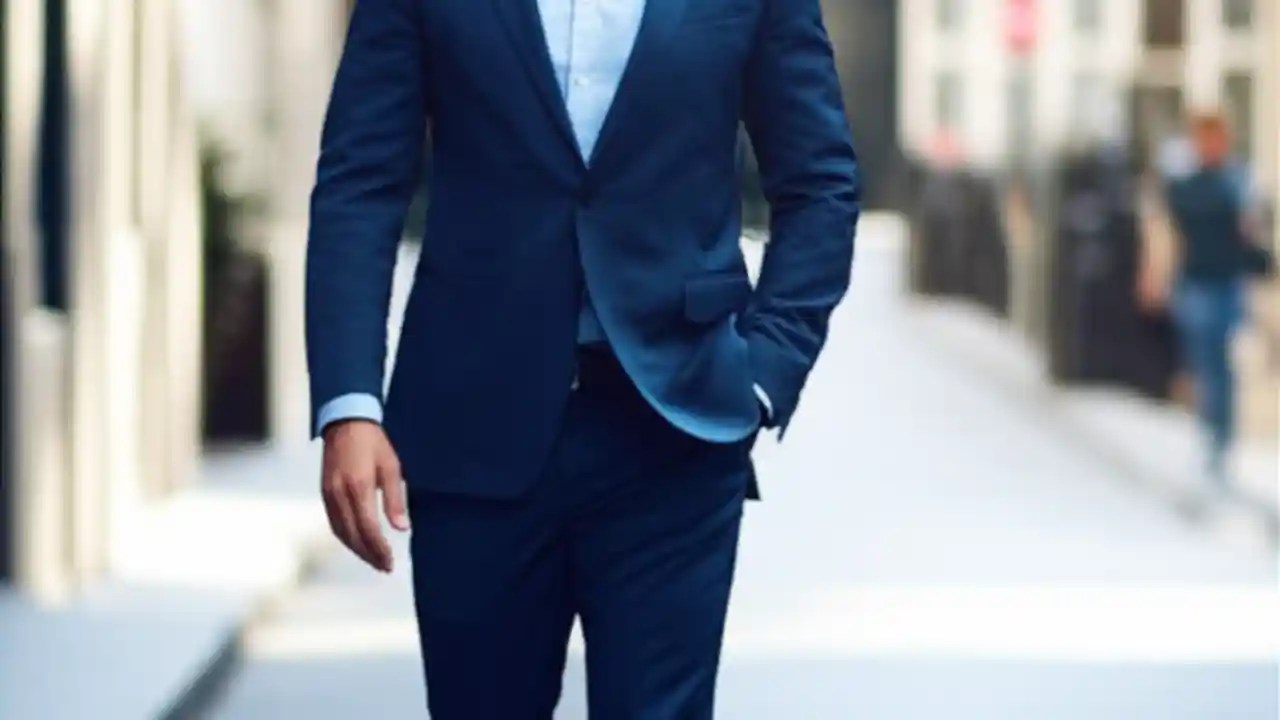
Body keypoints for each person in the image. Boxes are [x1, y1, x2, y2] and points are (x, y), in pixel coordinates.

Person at [305, 0, 859, 717]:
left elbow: (819, 182)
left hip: (674, 437)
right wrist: (349, 404)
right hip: (472, 434)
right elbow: (360, 182)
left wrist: (764, 372)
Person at [1164, 114, 1256, 486]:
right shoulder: (1187, 186)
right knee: (1203, 365)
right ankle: (1210, 437)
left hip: (1228, 285)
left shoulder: (1237, 183)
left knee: (1221, 368)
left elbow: (1252, 232)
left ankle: (1220, 442)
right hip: (1197, 283)